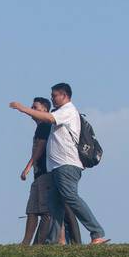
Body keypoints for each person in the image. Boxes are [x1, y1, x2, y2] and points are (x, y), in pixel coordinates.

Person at [9, 83, 109, 244]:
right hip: (56, 167)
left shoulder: (68, 111)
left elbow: (48, 118)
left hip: (67, 165)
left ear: (64, 95)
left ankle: (96, 232)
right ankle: (51, 241)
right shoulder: (61, 112)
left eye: (54, 95)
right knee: (54, 205)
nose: (52, 98)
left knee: (70, 197)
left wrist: (22, 108)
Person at [18, 98, 80, 245]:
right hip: (40, 175)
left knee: (46, 211)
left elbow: (40, 147)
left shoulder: (44, 125)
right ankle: (29, 242)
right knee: (33, 210)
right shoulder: (43, 126)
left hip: (45, 174)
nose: (32, 109)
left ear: (45, 110)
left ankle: (42, 243)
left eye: (35, 107)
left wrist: (28, 167)